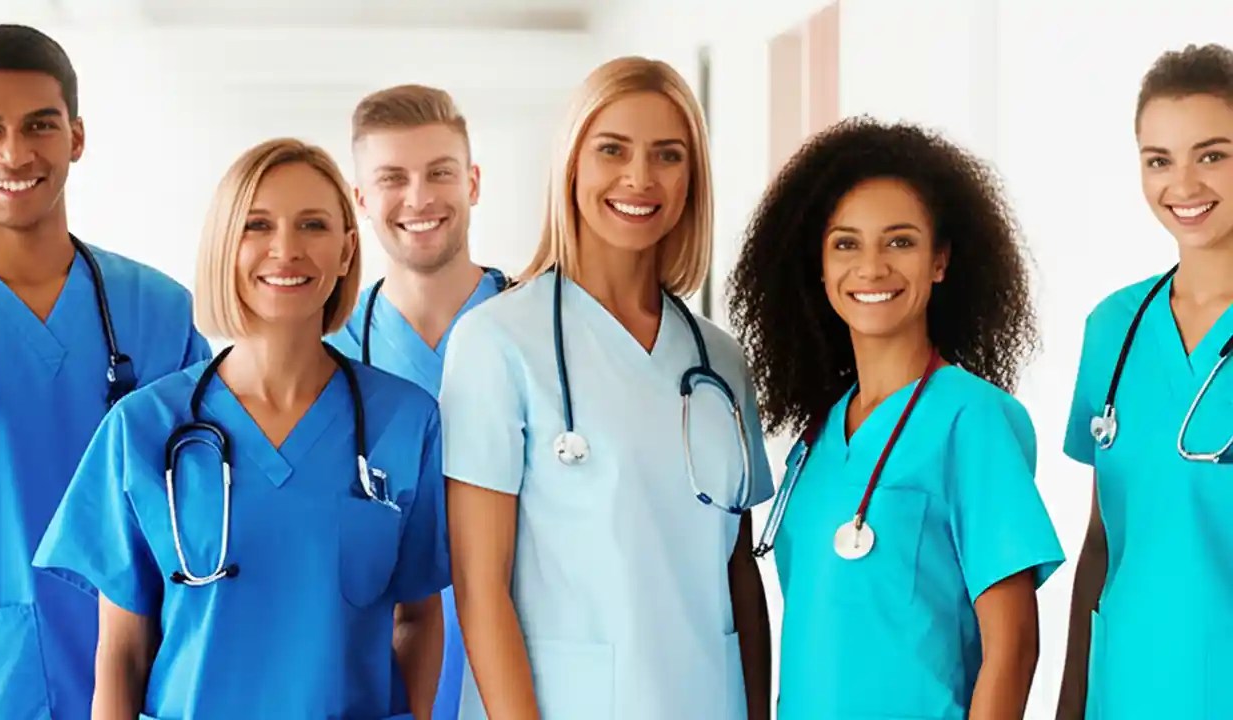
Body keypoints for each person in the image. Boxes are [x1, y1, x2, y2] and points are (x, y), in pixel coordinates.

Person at [33, 138, 448, 719]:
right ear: (226, 246)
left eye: (313, 225)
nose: (287, 249)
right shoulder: (144, 427)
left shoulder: (405, 420)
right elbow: (122, 653)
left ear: (348, 250)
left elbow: (419, 618)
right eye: (258, 225)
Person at [438, 56, 774, 720]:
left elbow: (739, 573)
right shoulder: (496, 342)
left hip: (708, 699)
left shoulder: (721, 360)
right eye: (612, 150)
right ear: (572, 165)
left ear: (692, 180)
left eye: (668, 155)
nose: (640, 178)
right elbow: (481, 588)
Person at [728, 117, 1065, 719]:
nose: (872, 267)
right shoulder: (817, 436)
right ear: (821, 267)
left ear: (940, 261)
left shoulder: (972, 419)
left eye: (900, 241)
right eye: (846, 243)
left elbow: (1013, 644)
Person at [0, 24, 210, 719]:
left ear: (77, 138)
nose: (14, 152)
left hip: (148, 677)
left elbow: (210, 507)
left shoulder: (156, 312)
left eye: (40, 124)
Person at [1057, 44, 1233, 720]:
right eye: (1159, 159)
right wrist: (1070, 707)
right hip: (1125, 691)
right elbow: (1101, 543)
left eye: (1211, 154)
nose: (1182, 184)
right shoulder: (1114, 329)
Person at [327, 85, 508, 719]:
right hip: (390, 683)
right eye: (392, 178)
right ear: (361, 201)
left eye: (440, 173)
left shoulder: (541, 332)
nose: (420, 198)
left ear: (474, 182)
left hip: (532, 666)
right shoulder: (329, 360)